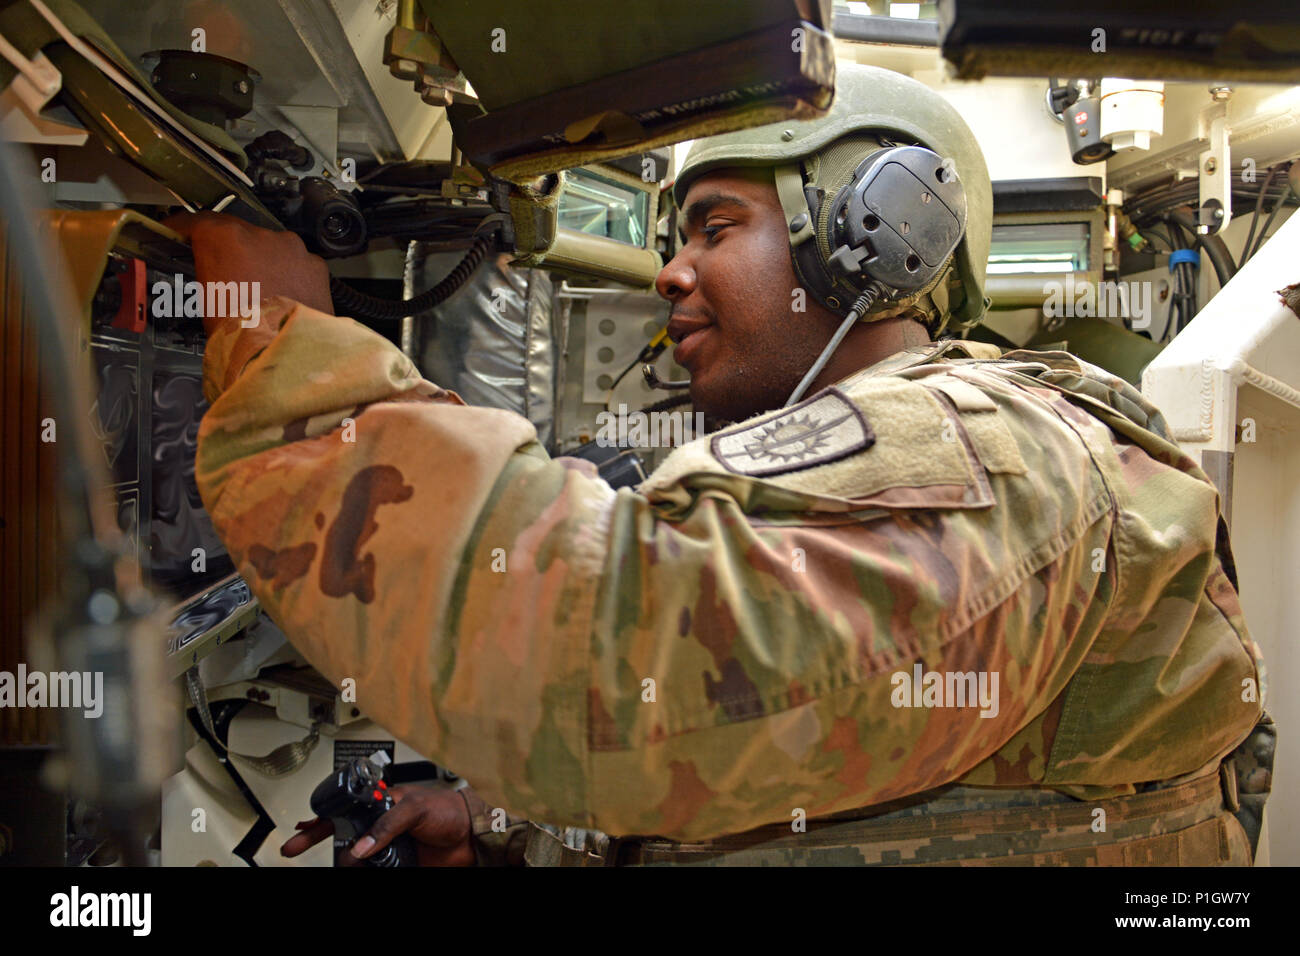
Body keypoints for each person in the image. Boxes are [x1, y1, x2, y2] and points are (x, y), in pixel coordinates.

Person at [179, 63, 1268, 867]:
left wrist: (278, 344)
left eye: (712, 226)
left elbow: (607, 658)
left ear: (874, 232)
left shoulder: (987, 452)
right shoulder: (938, 438)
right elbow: (810, 769)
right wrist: (511, 827)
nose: (669, 272)